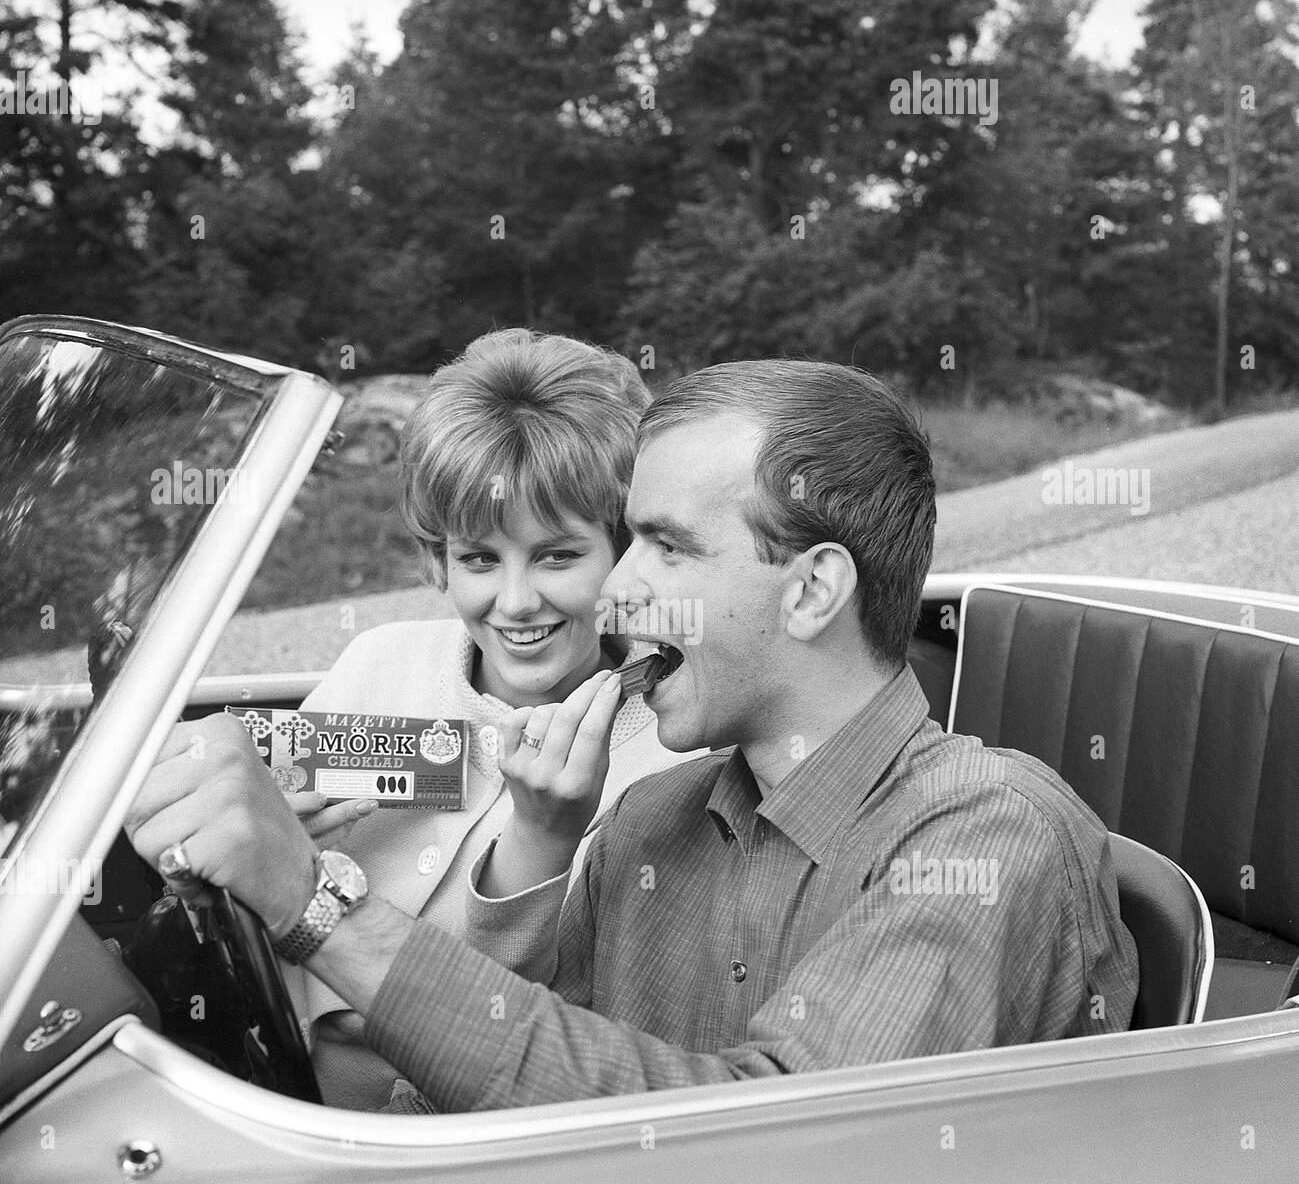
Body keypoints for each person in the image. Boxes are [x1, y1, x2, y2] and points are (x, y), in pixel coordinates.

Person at [127, 358, 1139, 1112]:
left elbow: (762, 1156)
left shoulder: (988, 838)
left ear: (814, 588)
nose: (610, 592)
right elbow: (505, 1070)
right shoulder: (647, 820)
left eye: (658, 545)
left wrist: (312, 901)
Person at [269, 328, 701, 1109]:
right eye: (478, 558)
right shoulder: (379, 667)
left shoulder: (676, 751)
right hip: (287, 1095)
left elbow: (561, 1038)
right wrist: (273, 834)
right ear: (437, 557)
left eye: (557, 556)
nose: (514, 602)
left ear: (625, 549)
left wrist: (541, 842)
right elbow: (258, 880)